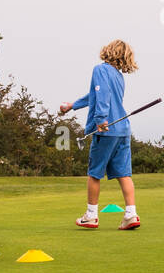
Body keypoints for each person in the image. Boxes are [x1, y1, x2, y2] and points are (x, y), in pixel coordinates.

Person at [59, 40, 140, 230]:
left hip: (106, 129)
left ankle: (91, 216)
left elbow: (102, 95)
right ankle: (131, 214)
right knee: (123, 173)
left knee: (94, 173)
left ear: (109, 51)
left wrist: (101, 119)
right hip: (122, 130)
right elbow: (94, 95)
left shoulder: (100, 69)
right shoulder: (118, 76)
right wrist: (73, 106)